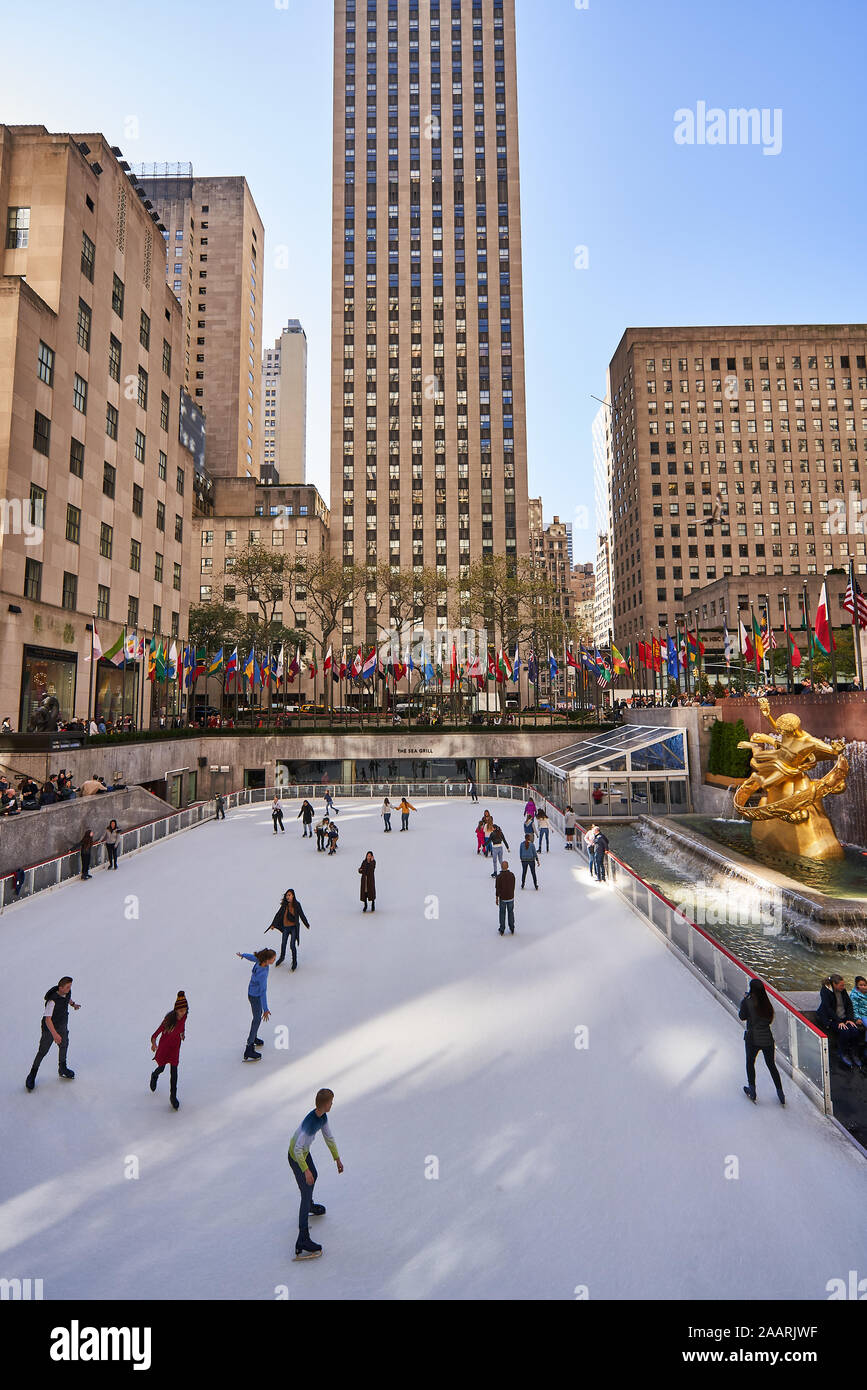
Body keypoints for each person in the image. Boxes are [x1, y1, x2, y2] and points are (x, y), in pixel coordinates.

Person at [288, 1088, 344, 1261]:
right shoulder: (310, 1123)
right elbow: (297, 1149)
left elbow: (329, 1138)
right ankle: (302, 1239)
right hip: (296, 1157)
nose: (332, 1104)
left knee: (315, 1176)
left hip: (303, 1153)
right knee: (306, 1190)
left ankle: (310, 1206)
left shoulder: (322, 1118)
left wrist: (337, 1159)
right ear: (325, 1104)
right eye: (331, 1102)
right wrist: (305, 1171)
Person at [25, 976, 81, 1090]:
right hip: (49, 1030)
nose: (70, 989)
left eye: (70, 986)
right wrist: (55, 1034)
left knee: (64, 1045)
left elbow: (68, 998)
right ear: (60, 988)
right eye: (67, 987)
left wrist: (73, 1004)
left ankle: (62, 1068)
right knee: (42, 1051)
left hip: (62, 1025)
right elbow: (48, 1019)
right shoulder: (52, 1001)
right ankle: (32, 1074)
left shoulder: (67, 992)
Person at [738, 979, 785, 1105]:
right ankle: (780, 1093)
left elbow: (742, 1016)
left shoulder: (747, 1002)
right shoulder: (767, 1003)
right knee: (771, 1065)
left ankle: (752, 1090)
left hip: (752, 1039)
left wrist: (744, 1001)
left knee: (750, 1062)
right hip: (767, 1040)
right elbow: (769, 1021)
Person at [817, 974, 866, 1068]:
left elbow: (849, 1004)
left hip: (843, 1017)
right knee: (844, 1031)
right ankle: (842, 1053)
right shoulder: (825, 991)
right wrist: (839, 1021)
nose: (843, 987)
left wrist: (850, 1019)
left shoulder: (842, 990)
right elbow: (828, 1008)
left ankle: (854, 1053)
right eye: (841, 985)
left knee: (855, 1030)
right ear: (834, 984)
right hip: (831, 1018)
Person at [150, 991, 188, 1111]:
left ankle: (173, 1097)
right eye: (181, 1010)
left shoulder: (185, 1016)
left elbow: (182, 1026)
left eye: (185, 1010)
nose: (183, 1013)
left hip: (175, 1047)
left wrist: (182, 1033)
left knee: (174, 1072)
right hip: (165, 1046)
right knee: (162, 1068)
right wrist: (154, 1043)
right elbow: (155, 1034)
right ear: (176, 1010)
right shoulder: (169, 1019)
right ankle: (154, 1075)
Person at [236, 948, 275, 1061]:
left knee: (257, 1016)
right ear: (267, 960)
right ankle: (249, 1047)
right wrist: (266, 1009)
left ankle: (254, 1037)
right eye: (273, 959)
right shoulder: (262, 973)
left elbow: (252, 957)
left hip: (252, 993)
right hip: (255, 996)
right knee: (257, 1018)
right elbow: (263, 992)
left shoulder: (260, 960)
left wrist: (243, 954)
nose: (274, 961)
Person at [267, 889, 311, 971]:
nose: (288, 897)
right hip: (285, 927)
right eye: (287, 895)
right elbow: (278, 914)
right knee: (283, 943)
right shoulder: (284, 905)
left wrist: (306, 924)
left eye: (289, 895)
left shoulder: (297, 905)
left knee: (292, 945)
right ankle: (282, 957)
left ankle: (294, 962)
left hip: (294, 927)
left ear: (293, 895)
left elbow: (301, 915)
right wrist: (273, 924)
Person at [495, 860, 516, 935]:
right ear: (508, 867)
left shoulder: (499, 877)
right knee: (511, 912)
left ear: (501, 867)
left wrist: (497, 898)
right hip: (511, 897)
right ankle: (512, 927)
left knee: (502, 913)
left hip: (503, 898)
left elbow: (497, 888)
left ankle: (502, 928)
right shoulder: (512, 875)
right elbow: (513, 885)